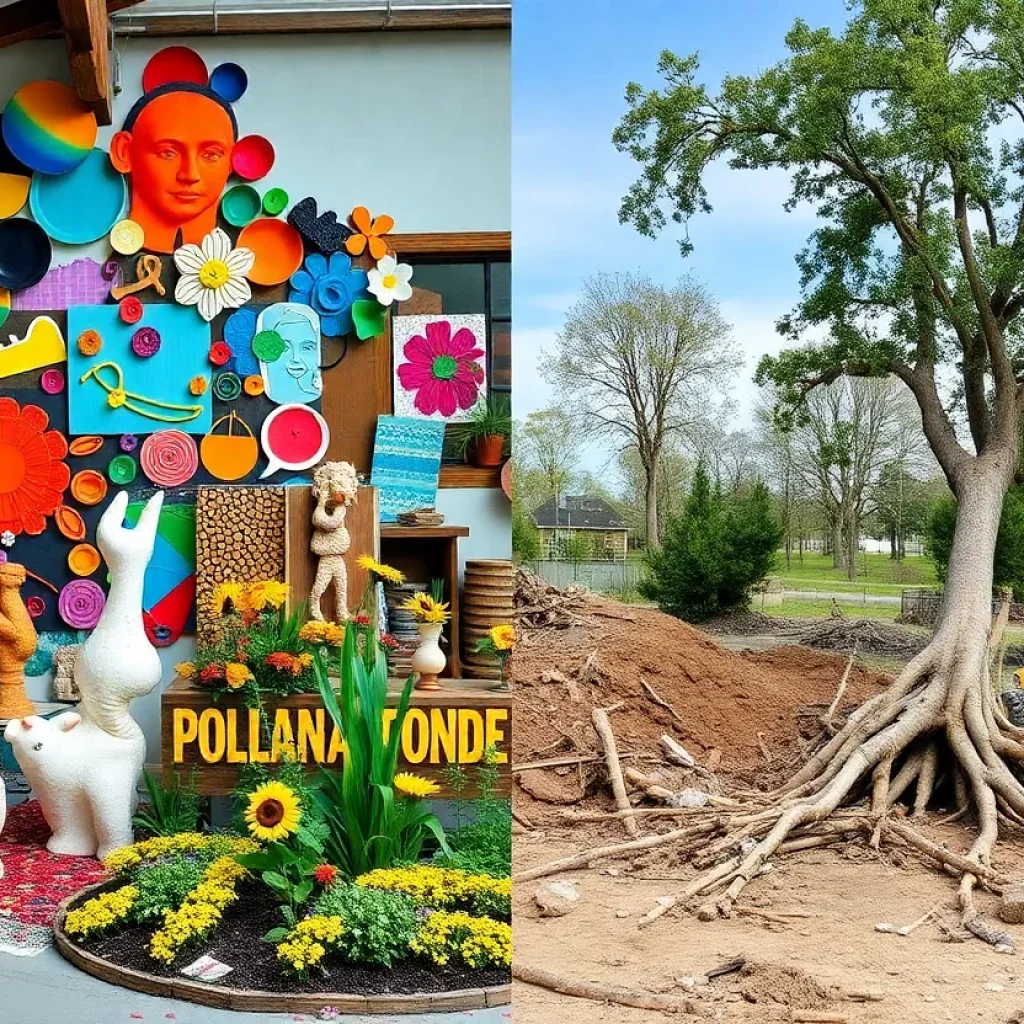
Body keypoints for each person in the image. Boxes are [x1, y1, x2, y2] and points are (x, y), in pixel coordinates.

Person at [109, 83, 237, 253]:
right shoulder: (102, 275)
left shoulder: (253, 262)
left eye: (211, 155)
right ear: (124, 153)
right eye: (168, 153)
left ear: (233, 160)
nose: (190, 174)